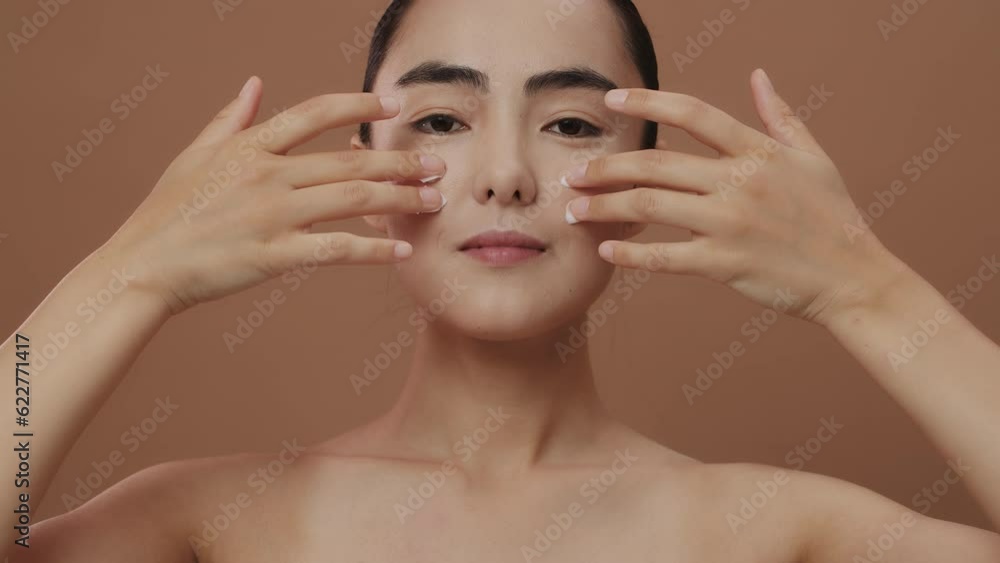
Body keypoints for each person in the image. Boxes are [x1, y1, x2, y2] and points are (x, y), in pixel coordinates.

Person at [3, 0, 999, 561]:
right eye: (441, 118)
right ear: (364, 169)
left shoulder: (777, 531)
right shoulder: (210, 521)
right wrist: (132, 268)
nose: (505, 172)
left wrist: (867, 288)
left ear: (647, 174)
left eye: (570, 123)